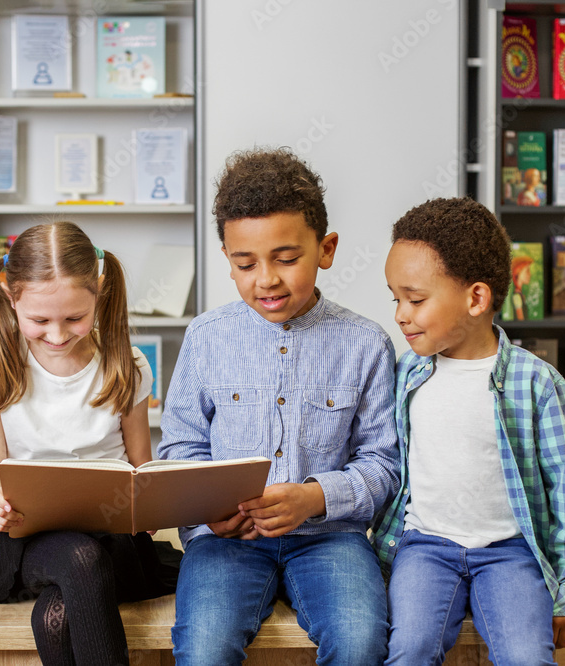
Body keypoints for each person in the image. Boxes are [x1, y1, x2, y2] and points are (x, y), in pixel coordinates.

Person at [158, 147, 400, 665]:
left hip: (330, 539)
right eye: (245, 263)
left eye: (286, 259)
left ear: (326, 249)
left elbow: (384, 463)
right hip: (227, 542)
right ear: (228, 260)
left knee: (360, 643)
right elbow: (180, 447)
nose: (266, 278)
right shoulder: (205, 338)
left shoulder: (367, 344)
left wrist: (313, 499)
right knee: (203, 650)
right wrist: (208, 513)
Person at [377, 197, 565, 665]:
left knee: (528, 659)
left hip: (510, 554)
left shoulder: (537, 383)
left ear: (476, 298)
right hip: (424, 549)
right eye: (396, 299)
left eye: (415, 300)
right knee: (408, 650)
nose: (400, 314)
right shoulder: (406, 375)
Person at [0, 222, 177, 666]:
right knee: (80, 560)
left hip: (115, 542)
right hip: (33, 544)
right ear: (10, 296)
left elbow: (141, 465)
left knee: (59, 614)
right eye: (40, 321)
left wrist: (151, 508)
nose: (59, 335)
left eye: (74, 318)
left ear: (100, 292)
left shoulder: (127, 365)